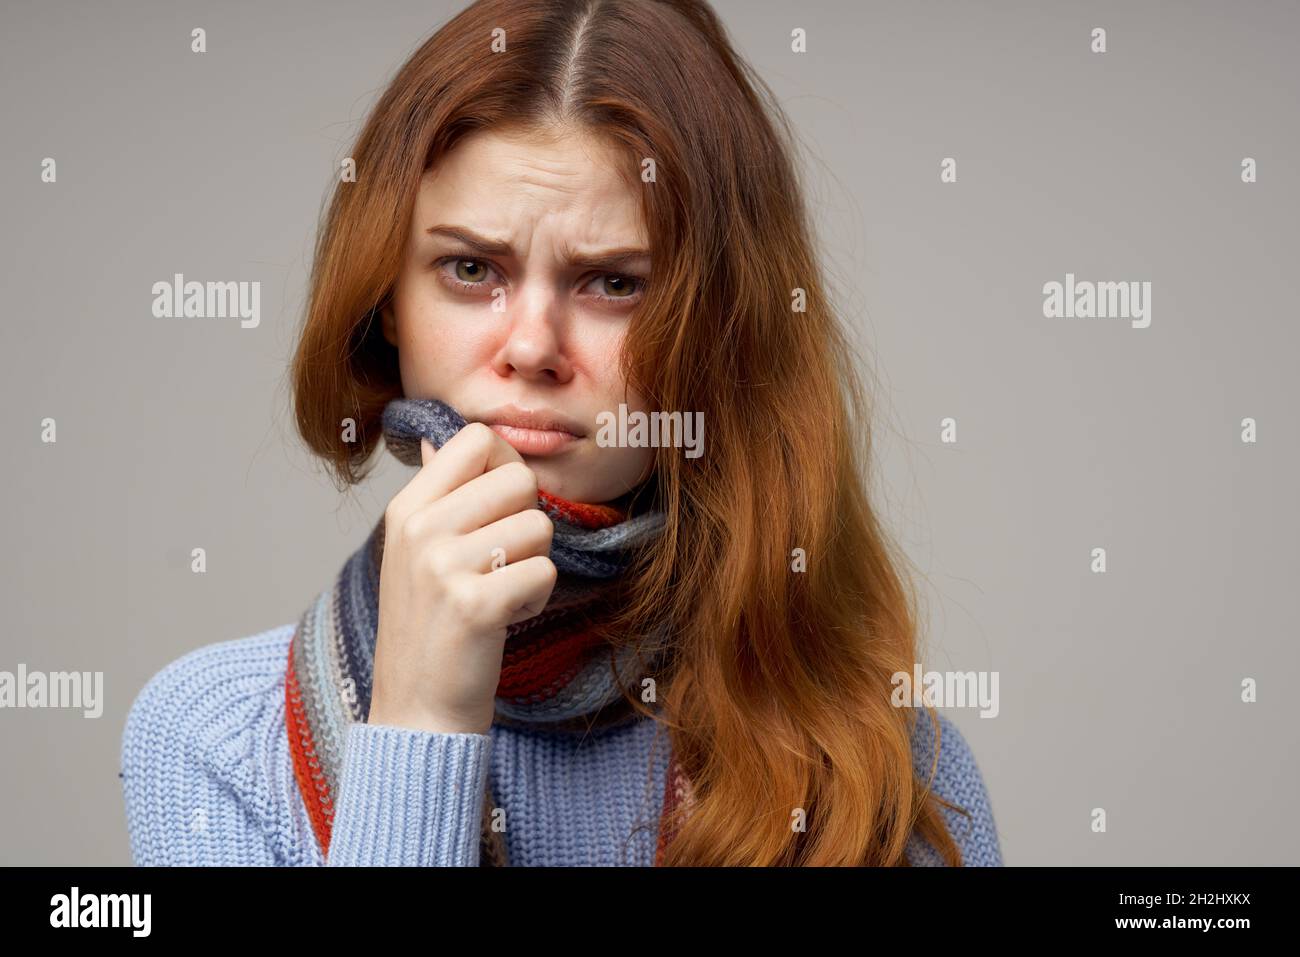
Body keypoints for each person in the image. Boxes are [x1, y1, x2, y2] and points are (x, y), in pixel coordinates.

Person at [120, 0, 1002, 867]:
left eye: (613, 284)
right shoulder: (214, 744)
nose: (533, 346)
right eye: (471, 270)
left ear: (722, 329)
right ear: (388, 301)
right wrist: (420, 726)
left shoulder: (881, 773)